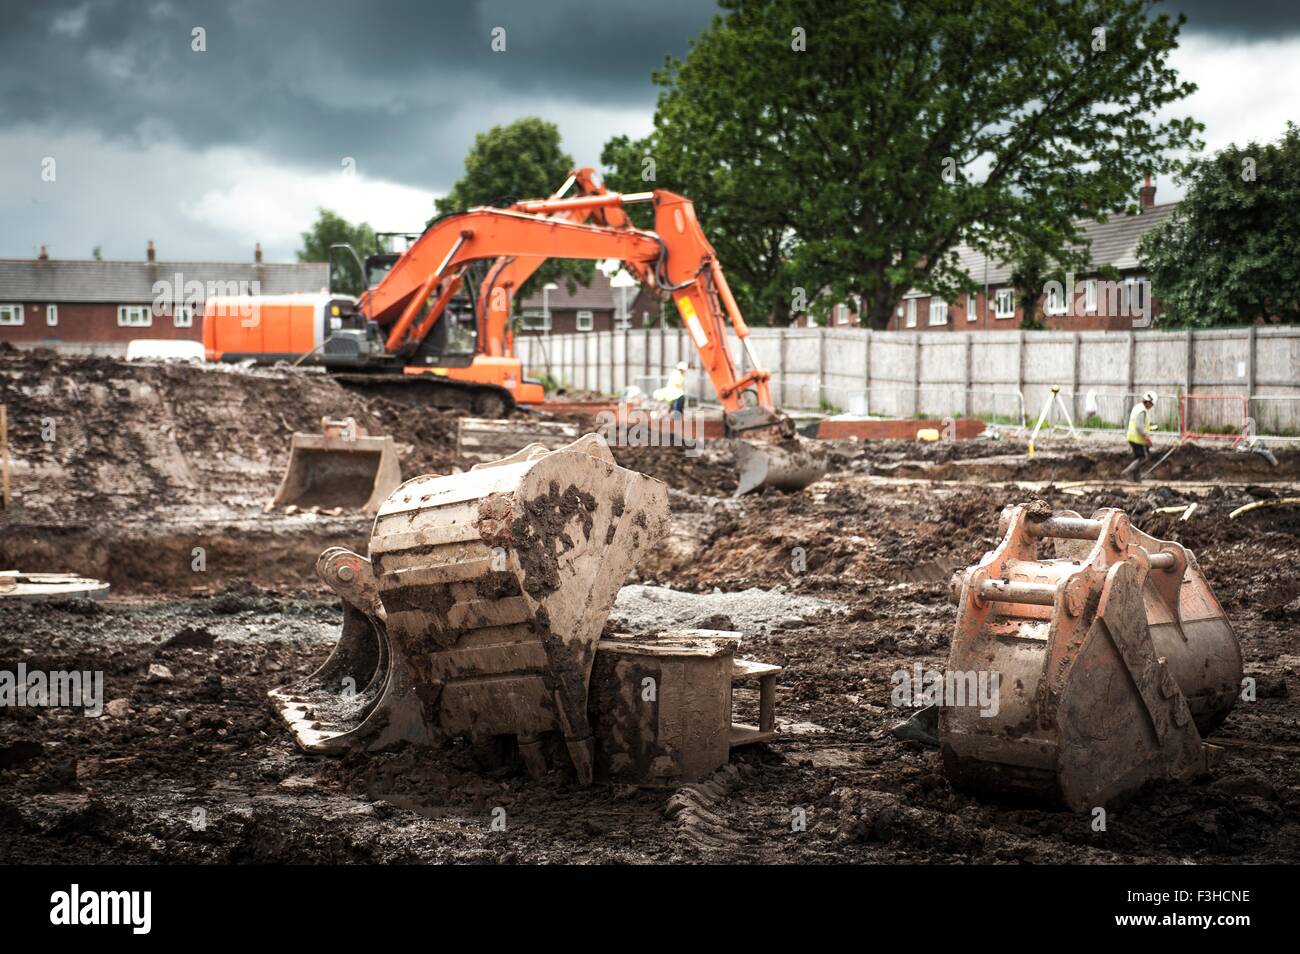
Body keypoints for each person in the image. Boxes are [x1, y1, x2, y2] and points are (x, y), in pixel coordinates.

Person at [1121, 391, 1158, 479]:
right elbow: (1139, 427)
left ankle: (1137, 479)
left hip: (1132, 437)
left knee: (1138, 458)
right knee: (1143, 457)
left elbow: (1141, 425)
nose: (1151, 407)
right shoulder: (1142, 410)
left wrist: (1151, 428)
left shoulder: (1138, 407)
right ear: (1149, 402)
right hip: (1137, 439)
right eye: (1152, 404)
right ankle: (1126, 472)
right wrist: (1147, 439)